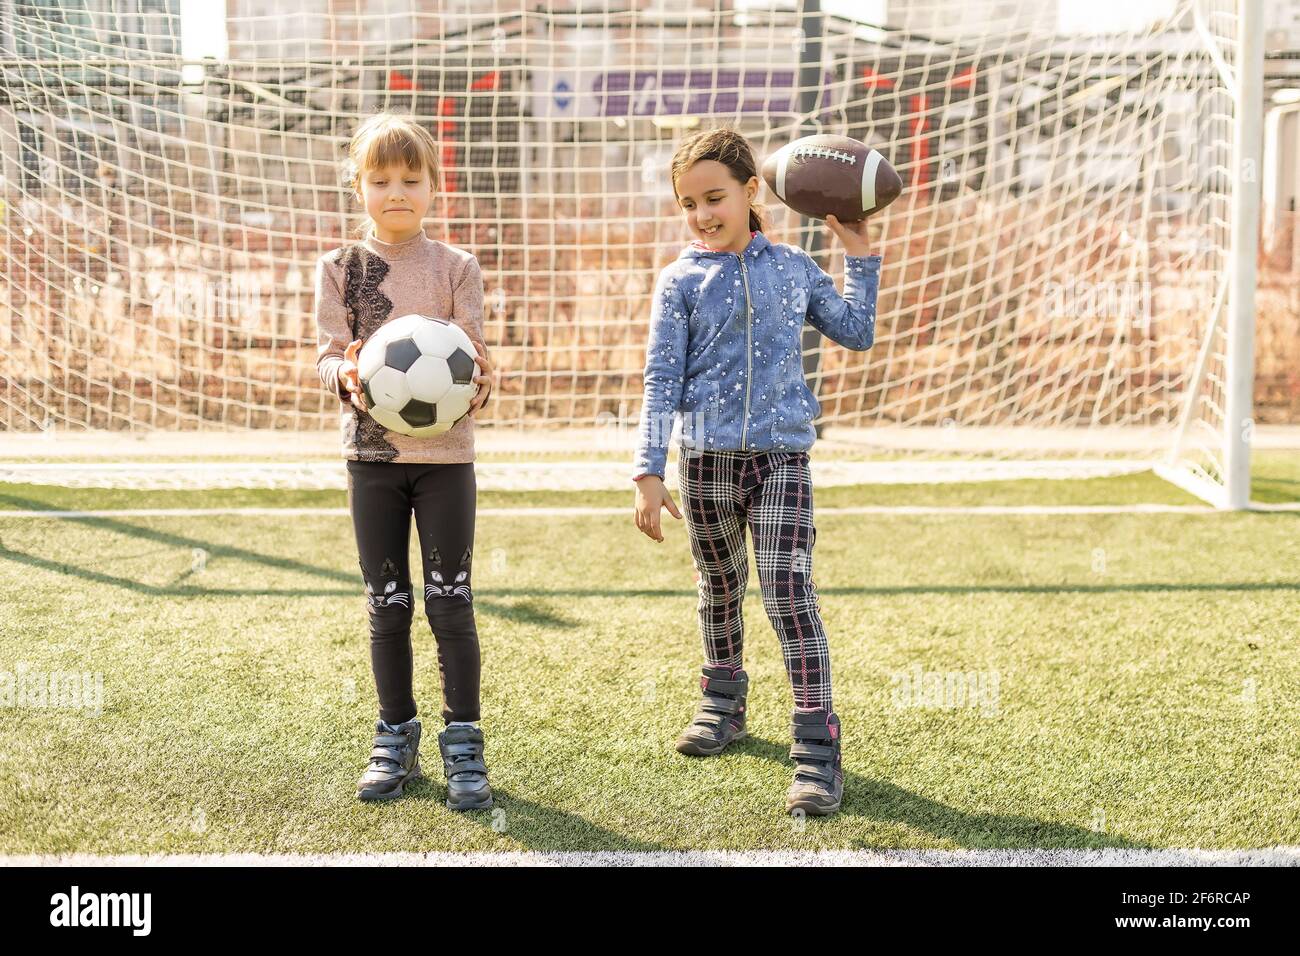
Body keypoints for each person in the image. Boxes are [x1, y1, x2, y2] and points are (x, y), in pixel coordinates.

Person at [632, 127, 882, 816]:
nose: (703, 214)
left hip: (781, 461)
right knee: (718, 587)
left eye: (714, 197)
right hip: (704, 462)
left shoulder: (795, 269)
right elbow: (660, 379)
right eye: (689, 203)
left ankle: (816, 748)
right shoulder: (679, 281)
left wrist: (860, 258)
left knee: (789, 594)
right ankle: (723, 703)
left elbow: (856, 331)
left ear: (750, 192)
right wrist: (648, 469)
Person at [314, 112, 497, 809]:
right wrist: (347, 376)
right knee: (386, 604)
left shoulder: (457, 268)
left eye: (411, 179)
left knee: (451, 601)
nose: (397, 191)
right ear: (358, 186)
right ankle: (395, 736)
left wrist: (481, 380)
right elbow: (329, 354)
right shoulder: (338, 269)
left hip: (447, 461)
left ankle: (465, 743)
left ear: (433, 187)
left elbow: (478, 358)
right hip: (372, 459)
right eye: (381, 179)